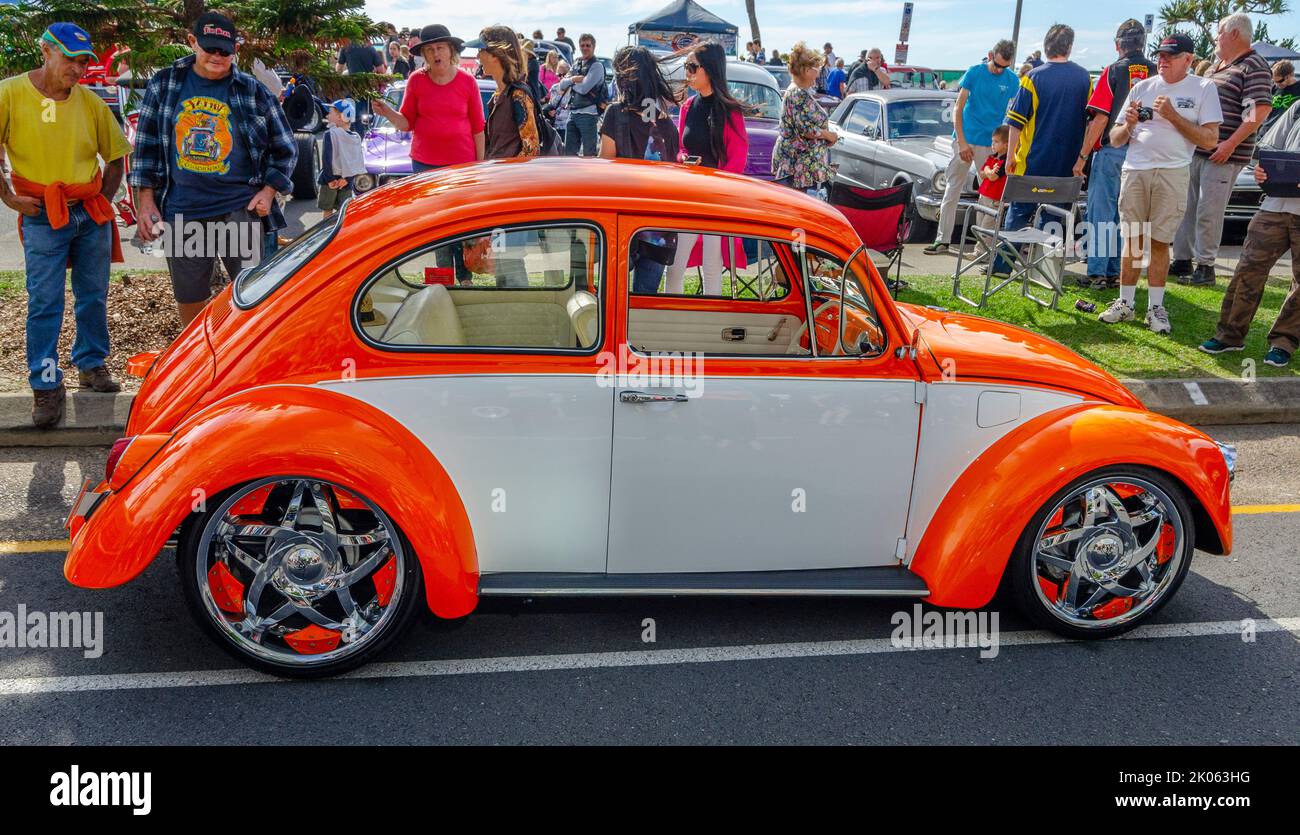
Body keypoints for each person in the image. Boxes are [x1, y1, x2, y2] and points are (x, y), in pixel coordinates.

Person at [0, 23, 131, 428]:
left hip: (87, 212)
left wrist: (102, 203)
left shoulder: (90, 102)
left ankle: (91, 365)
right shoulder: (9, 93)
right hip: (42, 213)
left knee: (93, 294)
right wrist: (8, 197)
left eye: (82, 62)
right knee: (44, 302)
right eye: (69, 59)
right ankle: (45, 383)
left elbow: (115, 157)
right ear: (45, 50)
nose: (76, 69)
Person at [131, 11, 297, 328]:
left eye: (225, 50)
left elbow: (285, 147)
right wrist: (146, 201)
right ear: (192, 42)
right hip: (182, 211)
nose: (218, 57)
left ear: (235, 49)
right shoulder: (164, 84)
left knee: (251, 298)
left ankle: (247, 366)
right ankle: (197, 365)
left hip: (238, 208)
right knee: (190, 298)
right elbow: (147, 147)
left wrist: (268, 190)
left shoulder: (252, 90)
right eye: (210, 48)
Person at [1099, 33, 1221, 335]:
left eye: (1170, 55)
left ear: (1188, 59)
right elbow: (1113, 139)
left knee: (1159, 243)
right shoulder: (1142, 86)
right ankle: (1125, 302)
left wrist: (1173, 116)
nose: (1162, 61)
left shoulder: (1203, 87)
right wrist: (1128, 124)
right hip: (1135, 169)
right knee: (1132, 240)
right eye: (1160, 55)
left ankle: (1155, 307)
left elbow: (1209, 139)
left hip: (1172, 171)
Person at [1171, 12, 1273, 286]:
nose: (1216, 38)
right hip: (1201, 148)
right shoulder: (1220, 64)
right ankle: (1181, 259)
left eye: (1219, 33)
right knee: (1188, 206)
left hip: (1223, 153)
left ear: (1235, 34)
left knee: (1209, 210)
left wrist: (1230, 143)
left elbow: (1259, 109)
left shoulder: (1254, 66)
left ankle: (1205, 266)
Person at [1199, 96, 1300, 367]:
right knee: (1248, 269)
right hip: (1275, 206)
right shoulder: (1298, 107)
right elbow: (1269, 148)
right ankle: (1230, 335)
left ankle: (1283, 342)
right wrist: (1261, 172)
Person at [991, 24, 1091, 279]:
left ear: (1046, 46)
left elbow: (1015, 123)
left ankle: (1002, 268)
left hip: (1032, 163)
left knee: (1018, 215)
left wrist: (1011, 156)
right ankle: (1044, 272)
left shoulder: (1032, 78)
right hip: (1066, 168)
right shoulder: (1084, 79)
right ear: (1069, 46)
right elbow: (1090, 122)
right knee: (1054, 219)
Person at [1074, 19, 1157, 287]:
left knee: (1102, 212)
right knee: (1131, 217)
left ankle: (1098, 272)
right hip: (1145, 154)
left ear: (1118, 45)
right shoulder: (1159, 72)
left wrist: (1083, 155)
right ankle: (1121, 274)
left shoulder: (1113, 70)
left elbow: (1100, 119)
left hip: (1113, 150)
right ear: (1142, 44)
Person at [666, 41, 750, 296]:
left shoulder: (730, 111)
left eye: (692, 67)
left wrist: (718, 185)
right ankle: (673, 320)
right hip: (689, 196)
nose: (688, 72)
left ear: (709, 69)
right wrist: (684, 160)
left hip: (715, 201)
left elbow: (737, 160)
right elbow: (681, 148)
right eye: (686, 66)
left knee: (713, 266)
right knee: (675, 266)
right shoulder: (687, 108)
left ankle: (710, 326)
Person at [598, 46, 682, 294]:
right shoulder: (666, 123)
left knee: (613, 300)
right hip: (659, 226)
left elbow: (605, 164)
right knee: (645, 302)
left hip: (621, 222)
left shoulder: (615, 114)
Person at [924, 39, 1018, 254]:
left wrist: (1005, 146)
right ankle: (943, 239)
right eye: (997, 65)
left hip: (991, 142)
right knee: (952, 187)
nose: (999, 70)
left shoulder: (1012, 80)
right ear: (990, 55)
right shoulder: (974, 72)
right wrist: (963, 143)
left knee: (988, 192)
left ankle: (982, 247)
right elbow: (959, 107)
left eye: (1005, 67)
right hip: (966, 137)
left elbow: (1014, 112)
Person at [372, 24, 485, 172]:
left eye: (440, 48)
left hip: (461, 164)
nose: (435, 54)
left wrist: (480, 166)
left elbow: (478, 129)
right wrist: (387, 111)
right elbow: (406, 124)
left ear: (451, 50)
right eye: (430, 50)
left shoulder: (468, 81)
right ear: (424, 55)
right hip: (424, 163)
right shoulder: (416, 80)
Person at [772, 42, 838, 197]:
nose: (819, 73)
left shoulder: (797, 91)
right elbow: (806, 130)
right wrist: (829, 135)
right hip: (797, 164)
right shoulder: (797, 93)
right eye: (817, 69)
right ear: (807, 70)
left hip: (797, 163)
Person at [477, 25, 540, 159]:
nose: (477, 56)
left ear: (495, 55)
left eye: (481, 50)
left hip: (509, 177)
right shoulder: (499, 93)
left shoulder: (518, 95)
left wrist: (506, 173)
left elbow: (531, 150)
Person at [554, 33, 605, 156]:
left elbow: (584, 89)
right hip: (572, 114)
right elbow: (561, 85)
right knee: (569, 154)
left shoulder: (597, 66)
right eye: (582, 45)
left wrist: (570, 82)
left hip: (588, 114)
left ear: (594, 46)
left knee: (589, 154)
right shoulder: (577, 63)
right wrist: (574, 79)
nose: (585, 48)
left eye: (588, 45)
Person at [317, 99, 365, 217]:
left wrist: (330, 180)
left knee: (327, 211)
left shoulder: (330, 134)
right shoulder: (356, 137)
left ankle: (327, 233)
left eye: (330, 113)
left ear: (340, 116)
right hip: (346, 181)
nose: (327, 115)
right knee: (342, 213)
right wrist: (347, 179)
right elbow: (357, 162)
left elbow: (326, 159)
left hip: (329, 179)